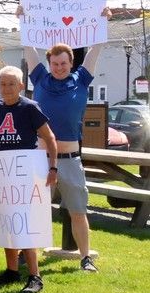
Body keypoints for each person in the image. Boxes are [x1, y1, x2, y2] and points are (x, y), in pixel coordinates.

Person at [23, 40, 107, 272]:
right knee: (36, 209)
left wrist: (102, 21)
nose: (59, 67)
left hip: (70, 160)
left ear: (71, 63)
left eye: (63, 63)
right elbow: (29, 48)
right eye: (55, 63)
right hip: (41, 160)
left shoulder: (80, 80)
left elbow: (95, 51)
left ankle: (85, 258)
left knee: (78, 211)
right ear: (49, 64)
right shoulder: (40, 78)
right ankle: (26, 253)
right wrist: (23, 20)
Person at [0, 66, 58, 293]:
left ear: (21, 86)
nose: (7, 88)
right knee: (6, 221)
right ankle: (11, 270)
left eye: (11, 84)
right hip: (3, 175)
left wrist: (53, 167)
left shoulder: (30, 108)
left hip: (25, 174)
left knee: (26, 223)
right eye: (3, 84)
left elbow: (50, 138)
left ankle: (35, 276)